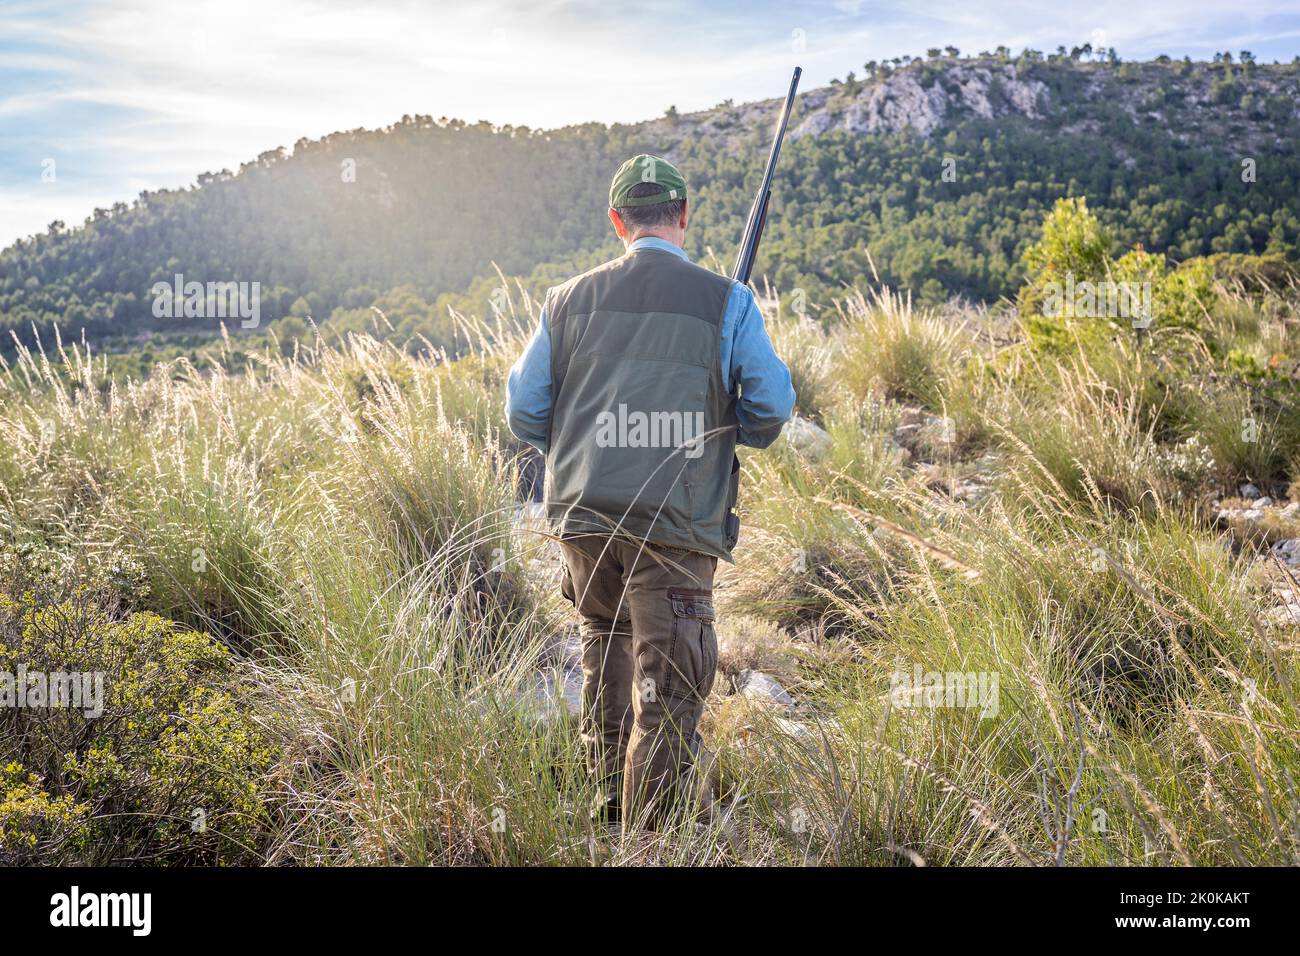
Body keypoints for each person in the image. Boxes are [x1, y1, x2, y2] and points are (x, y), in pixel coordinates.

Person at [506, 154, 794, 826]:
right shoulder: (729, 300)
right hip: (675, 523)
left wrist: (588, 451)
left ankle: (605, 811)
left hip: (583, 519)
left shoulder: (565, 300)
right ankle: (651, 840)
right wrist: (729, 427)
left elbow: (525, 410)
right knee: (670, 690)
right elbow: (772, 409)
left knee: (604, 650)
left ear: (617, 222)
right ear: (684, 218)